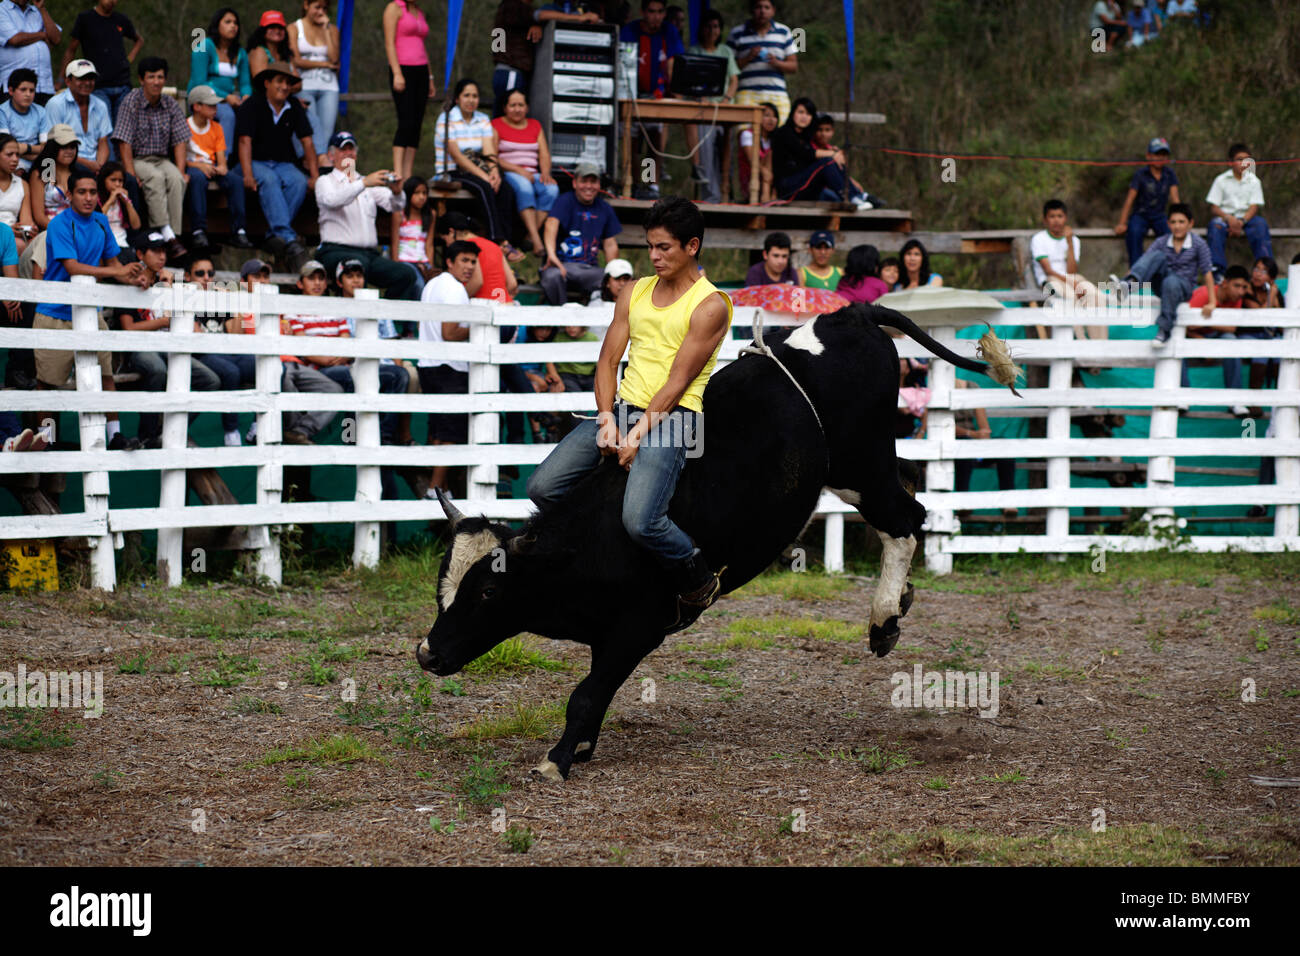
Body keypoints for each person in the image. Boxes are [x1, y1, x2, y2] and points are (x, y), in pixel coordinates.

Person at [527, 196, 733, 631]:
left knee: (641, 521)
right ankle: (597, 560)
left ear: (692, 246)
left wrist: (637, 433)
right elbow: (606, 361)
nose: (654, 256)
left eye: (665, 248)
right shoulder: (634, 290)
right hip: (621, 409)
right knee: (543, 486)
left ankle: (697, 574)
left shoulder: (710, 304)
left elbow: (678, 382)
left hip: (675, 418)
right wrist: (606, 418)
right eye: (650, 247)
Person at [32, 168, 144, 450]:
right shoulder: (59, 224)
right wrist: (114, 271)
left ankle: (115, 436)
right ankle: (47, 441)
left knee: (107, 376)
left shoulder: (102, 222)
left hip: (91, 312)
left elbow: (114, 265)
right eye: (81, 192)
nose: (88, 197)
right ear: (69, 195)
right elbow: (73, 268)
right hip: (54, 313)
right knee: (48, 384)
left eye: (93, 192)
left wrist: (133, 276)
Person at [117, 231, 221, 447]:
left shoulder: (169, 283)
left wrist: (174, 290)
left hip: (169, 346)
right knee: (158, 371)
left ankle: (169, 429)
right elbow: (128, 328)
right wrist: (163, 322)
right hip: (140, 347)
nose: (161, 256)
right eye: (155, 251)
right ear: (140, 254)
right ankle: (147, 434)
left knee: (211, 381)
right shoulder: (129, 282)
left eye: (164, 251)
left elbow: (187, 320)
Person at [314, 130, 418, 300]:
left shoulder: (366, 181)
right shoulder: (325, 181)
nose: (348, 153)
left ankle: (384, 319)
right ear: (331, 156)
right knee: (357, 266)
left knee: (406, 274)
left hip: (369, 254)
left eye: (351, 149)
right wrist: (362, 183)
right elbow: (332, 200)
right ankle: (355, 319)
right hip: (336, 251)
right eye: (343, 150)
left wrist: (398, 191)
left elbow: (397, 205)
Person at [233, 60, 317, 265]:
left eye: (288, 83)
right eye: (279, 81)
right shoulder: (251, 105)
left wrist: (315, 177)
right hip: (252, 162)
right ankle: (288, 237)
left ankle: (275, 235)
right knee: (269, 180)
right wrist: (247, 175)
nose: (285, 87)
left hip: (283, 163)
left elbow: (307, 142)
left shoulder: (294, 106)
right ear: (267, 83)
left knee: (298, 181)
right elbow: (244, 141)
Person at [433, 78, 520, 259]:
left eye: (475, 96)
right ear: (458, 99)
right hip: (452, 171)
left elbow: (489, 151)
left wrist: (494, 172)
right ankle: (498, 240)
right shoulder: (447, 118)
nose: (471, 100)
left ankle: (509, 240)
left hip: (479, 169)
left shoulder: (482, 119)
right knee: (483, 187)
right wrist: (484, 176)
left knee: (506, 189)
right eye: (466, 95)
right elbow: (457, 155)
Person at [112, 56, 189, 260]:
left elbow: (180, 139)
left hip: (161, 158)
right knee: (154, 178)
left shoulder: (170, 104)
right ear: (141, 79)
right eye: (151, 77)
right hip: (137, 159)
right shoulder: (131, 101)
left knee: (176, 179)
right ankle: (165, 233)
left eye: (160, 77)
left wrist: (181, 170)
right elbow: (123, 142)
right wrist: (130, 173)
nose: (156, 81)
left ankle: (174, 233)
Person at [418, 239, 478, 493]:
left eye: (473, 262)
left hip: (428, 364)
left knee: (439, 430)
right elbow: (450, 333)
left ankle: (437, 488)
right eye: (464, 260)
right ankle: (435, 490)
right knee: (451, 433)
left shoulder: (432, 284)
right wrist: (477, 327)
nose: (470, 267)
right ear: (450, 262)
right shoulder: (454, 289)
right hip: (449, 366)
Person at [1116, 202, 1215, 347]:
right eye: (1173, 222)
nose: (1177, 226)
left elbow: (1207, 273)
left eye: (1181, 222)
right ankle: (1129, 285)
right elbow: (1145, 262)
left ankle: (1164, 330)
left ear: (1190, 224)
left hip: (1183, 287)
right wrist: (1130, 276)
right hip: (1162, 286)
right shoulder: (1162, 241)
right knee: (1157, 256)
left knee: (1171, 281)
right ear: (1168, 224)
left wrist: (1212, 302)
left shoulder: (1199, 244)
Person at [187, 253, 253, 446]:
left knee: (269, 366)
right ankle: (231, 432)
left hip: (226, 351)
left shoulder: (219, 298)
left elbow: (236, 335)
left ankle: (257, 426)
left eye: (210, 273)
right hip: (203, 354)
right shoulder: (185, 297)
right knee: (231, 372)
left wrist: (234, 304)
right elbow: (197, 339)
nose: (207, 277)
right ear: (188, 276)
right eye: (200, 273)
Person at [620, 0, 683, 197]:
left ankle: (650, 184)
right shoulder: (630, 30)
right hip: (632, 95)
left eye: (660, 12)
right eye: (651, 11)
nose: (655, 16)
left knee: (654, 142)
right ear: (643, 12)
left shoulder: (669, 31)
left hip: (657, 96)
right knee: (632, 141)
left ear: (664, 13)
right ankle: (633, 183)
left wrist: (677, 93)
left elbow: (673, 63)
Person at [540, 161, 621, 305]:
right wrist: (551, 255)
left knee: (618, 281)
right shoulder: (564, 201)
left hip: (590, 270)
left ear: (599, 185)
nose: (589, 186)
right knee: (551, 276)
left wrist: (614, 271)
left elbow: (610, 244)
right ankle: (564, 318)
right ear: (575, 183)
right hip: (562, 266)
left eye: (593, 182)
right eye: (584, 181)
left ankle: (599, 323)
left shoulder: (605, 208)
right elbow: (551, 224)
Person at [491, 88, 558, 258]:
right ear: (505, 107)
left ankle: (529, 235)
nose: (517, 109)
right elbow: (493, 156)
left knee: (551, 190)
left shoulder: (535, 125)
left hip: (533, 173)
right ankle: (536, 240)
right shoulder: (496, 125)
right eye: (512, 105)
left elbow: (543, 153)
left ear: (527, 107)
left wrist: (545, 172)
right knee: (524, 188)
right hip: (510, 172)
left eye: (521, 105)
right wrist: (518, 170)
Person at [183, 84, 248, 251]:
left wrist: (222, 167)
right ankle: (198, 230)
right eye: (210, 105)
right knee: (197, 179)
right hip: (193, 166)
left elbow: (221, 158)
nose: (215, 108)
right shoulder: (184, 126)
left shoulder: (217, 127)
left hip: (212, 167)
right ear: (197, 107)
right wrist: (199, 166)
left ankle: (239, 230)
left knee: (235, 180)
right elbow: (181, 159)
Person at [684, 8, 739, 205]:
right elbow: (686, 82)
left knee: (725, 155)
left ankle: (725, 194)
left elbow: (734, 80)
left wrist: (726, 99)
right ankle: (711, 197)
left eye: (716, 26)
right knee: (705, 147)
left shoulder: (726, 51)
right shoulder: (693, 51)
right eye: (708, 26)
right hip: (702, 110)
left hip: (724, 110)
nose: (712, 30)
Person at [770, 97, 866, 207]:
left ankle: (859, 196)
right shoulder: (784, 133)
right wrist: (834, 154)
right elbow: (806, 153)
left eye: (808, 114)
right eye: (801, 112)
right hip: (789, 189)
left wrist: (835, 155)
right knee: (827, 162)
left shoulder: (806, 136)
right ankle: (852, 198)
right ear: (793, 113)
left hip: (806, 186)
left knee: (831, 162)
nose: (804, 117)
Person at [59, 0, 140, 126]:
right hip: (98, 85)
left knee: (123, 130)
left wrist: (129, 58)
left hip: (122, 83)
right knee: (104, 129)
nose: (111, 1)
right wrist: (61, 78)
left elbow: (139, 40)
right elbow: (71, 50)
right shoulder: (85, 19)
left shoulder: (121, 19)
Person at [187, 8, 251, 163]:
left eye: (235, 23)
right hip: (202, 98)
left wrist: (246, 97)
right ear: (217, 25)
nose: (233, 26)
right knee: (227, 115)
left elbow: (245, 83)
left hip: (229, 100)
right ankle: (224, 161)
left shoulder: (240, 52)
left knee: (250, 112)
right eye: (228, 22)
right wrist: (226, 97)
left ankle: (245, 161)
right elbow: (199, 81)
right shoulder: (203, 45)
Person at [1184, 264, 1251, 410]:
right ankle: (1182, 396)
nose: (1240, 291)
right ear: (1225, 283)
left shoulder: (1237, 299)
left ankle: (1235, 400)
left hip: (1213, 337)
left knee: (1231, 341)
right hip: (1193, 337)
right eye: (1237, 286)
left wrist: (1206, 321)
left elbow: (1232, 328)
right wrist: (1201, 342)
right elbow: (1184, 328)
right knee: (1177, 346)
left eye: (1244, 287)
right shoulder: (1203, 295)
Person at [383, 0, 434, 183]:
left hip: (421, 70)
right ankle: (397, 172)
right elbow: (389, 43)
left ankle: (407, 173)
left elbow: (422, 46)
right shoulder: (394, 8)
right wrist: (397, 73)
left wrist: (430, 77)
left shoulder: (420, 12)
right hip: (403, 68)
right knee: (406, 120)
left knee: (417, 123)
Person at [1031, 199, 1103, 327]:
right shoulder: (1039, 239)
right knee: (1072, 298)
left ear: (1066, 218)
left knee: (1097, 296)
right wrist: (1073, 284)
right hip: (1049, 280)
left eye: (1060, 216)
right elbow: (1048, 271)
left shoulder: (1074, 240)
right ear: (1045, 220)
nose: (1056, 220)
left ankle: (1098, 342)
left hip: (1070, 278)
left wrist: (1069, 243)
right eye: (1052, 216)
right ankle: (1078, 342)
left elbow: (1072, 272)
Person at [1206, 142, 1272, 279]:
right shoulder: (1221, 180)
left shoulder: (1254, 181)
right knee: (1215, 226)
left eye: (1247, 159)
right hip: (1225, 218)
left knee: (1261, 225)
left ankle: (1266, 269)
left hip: (1247, 219)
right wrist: (1229, 219)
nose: (1244, 163)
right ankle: (1217, 271)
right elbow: (1214, 207)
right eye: (1240, 159)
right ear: (1230, 162)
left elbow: (1254, 206)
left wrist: (1241, 221)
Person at [727, 0, 797, 124]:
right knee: (746, 135)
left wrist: (777, 63)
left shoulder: (784, 31)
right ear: (752, 10)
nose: (762, 11)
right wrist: (747, 58)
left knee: (779, 136)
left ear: (773, 10)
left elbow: (794, 66)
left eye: (766, 7)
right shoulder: (737, 33)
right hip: (746, 92)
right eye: (758, 7)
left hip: (776, 93)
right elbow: (728, 69)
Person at [1114, 137, 1180, 267]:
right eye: (1156, 154)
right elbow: (1129, 200)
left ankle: (1170, 268)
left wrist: (1180, 220)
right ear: (1148, 156)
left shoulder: (1169, 174)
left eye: (1163, 155)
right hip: (1140, 215)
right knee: (1134, 233)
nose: (1160, 158)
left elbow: (1175, 199)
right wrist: (1121, 223)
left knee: (1170, 235)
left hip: (1160, 216)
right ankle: (1135, 272)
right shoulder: (1140, 174)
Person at [288, 0, 339, 168]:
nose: (321, 12)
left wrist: (326, 31)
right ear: (305, 5)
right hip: (304, 85)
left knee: (325, 135)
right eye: (317, 7)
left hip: (329, 87)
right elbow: (296, 60)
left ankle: (321, 175)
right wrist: (324, 64)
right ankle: (308, 171)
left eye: (324, 8)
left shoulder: (331, 29)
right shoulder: (294, 28)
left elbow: (334, 59)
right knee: (309, 129)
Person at [45, 59, 111, 174]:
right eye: (81, 78)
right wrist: (89, 165)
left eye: (90, 78)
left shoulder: (101, 105)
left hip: (96, 164)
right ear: (68, 81)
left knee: (128, 180)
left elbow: (103, 141)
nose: (87, 82)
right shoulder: (56, 104)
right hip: (67, 161)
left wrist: (99, 166)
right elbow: (53, 145)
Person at [437, 210, 517, 304]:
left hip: (483, 307)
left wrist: (459, 298)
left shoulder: (469, 248)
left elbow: (477, 282)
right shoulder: (494, 246)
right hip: (506, 304)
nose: (447, 245)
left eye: (444, 239)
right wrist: (499, 299)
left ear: (451, 232)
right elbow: (512, 283)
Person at [27, 125, 88, 231]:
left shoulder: (79, 173)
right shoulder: (42, 173)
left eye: (72, 147)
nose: (69, 151)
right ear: (52, 148)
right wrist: (63, 232)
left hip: (79, 230)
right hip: (50, 230)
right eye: (64, 147)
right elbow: (39, 217)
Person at [491, 0, 542, 120]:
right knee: (507, 117)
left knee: (502, 115)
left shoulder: (505, 9)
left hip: (505, 70)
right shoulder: (514, 5)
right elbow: (541, 14)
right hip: (511, 70)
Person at [0, 0, 60, 99]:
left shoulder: (37, 11)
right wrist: (42, 34)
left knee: (43, 114)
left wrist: (42, 9)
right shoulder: (2, 10)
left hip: (44, 86)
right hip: (16, 87)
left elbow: (56, 38)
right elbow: (15, 39)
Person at [0, 67, 49, 171]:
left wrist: (27, 148)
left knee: (50, 164)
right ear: (11, 91)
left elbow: (47, 148)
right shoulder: (2, 112)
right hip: (13, 161)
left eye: (32, 90)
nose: (28, 94)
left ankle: (51, 187)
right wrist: (36, 151)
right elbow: (7, 148)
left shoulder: (41, 111)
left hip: (38, 159)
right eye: (23, 90)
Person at [394, 175, 434, 280]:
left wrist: (430, 268)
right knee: (417, 284)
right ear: (408, 193)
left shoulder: (431, 214)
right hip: (404, 261)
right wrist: (395, 267)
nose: (421, 197)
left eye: (424, 193)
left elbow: (429, 244)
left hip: (424, 261)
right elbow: (395, 243)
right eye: (417, 193)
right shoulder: (399, 214)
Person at [737, 100, 776, 204]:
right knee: (771, 154)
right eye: (767, 115)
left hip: (771, 180)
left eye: (774, 116)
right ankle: (767, 196)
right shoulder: (747, 134)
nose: (771, 120)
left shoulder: (774, 139)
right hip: (751, 181)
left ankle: (771, 194)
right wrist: (765, 173)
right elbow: (752, 161)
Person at [0, 133, 33, 253]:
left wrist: (29, 229)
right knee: (17, 245)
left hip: (14, 236)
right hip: (8, 235)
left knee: (40, 242)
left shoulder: (22, 184)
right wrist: (6, 230)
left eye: (17, 155)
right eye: (9, 155)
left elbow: (26, 220)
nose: (15, 159)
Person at [96, 159, 137, 251]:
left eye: (120, 181)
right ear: (103, 180)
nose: (117, 184)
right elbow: (96, 222)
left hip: (122, 245)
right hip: (104, 245)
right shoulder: (96, 198)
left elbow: (136, 225)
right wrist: (110, 200)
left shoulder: (123, 200)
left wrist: (127, 203)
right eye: (113, 180)